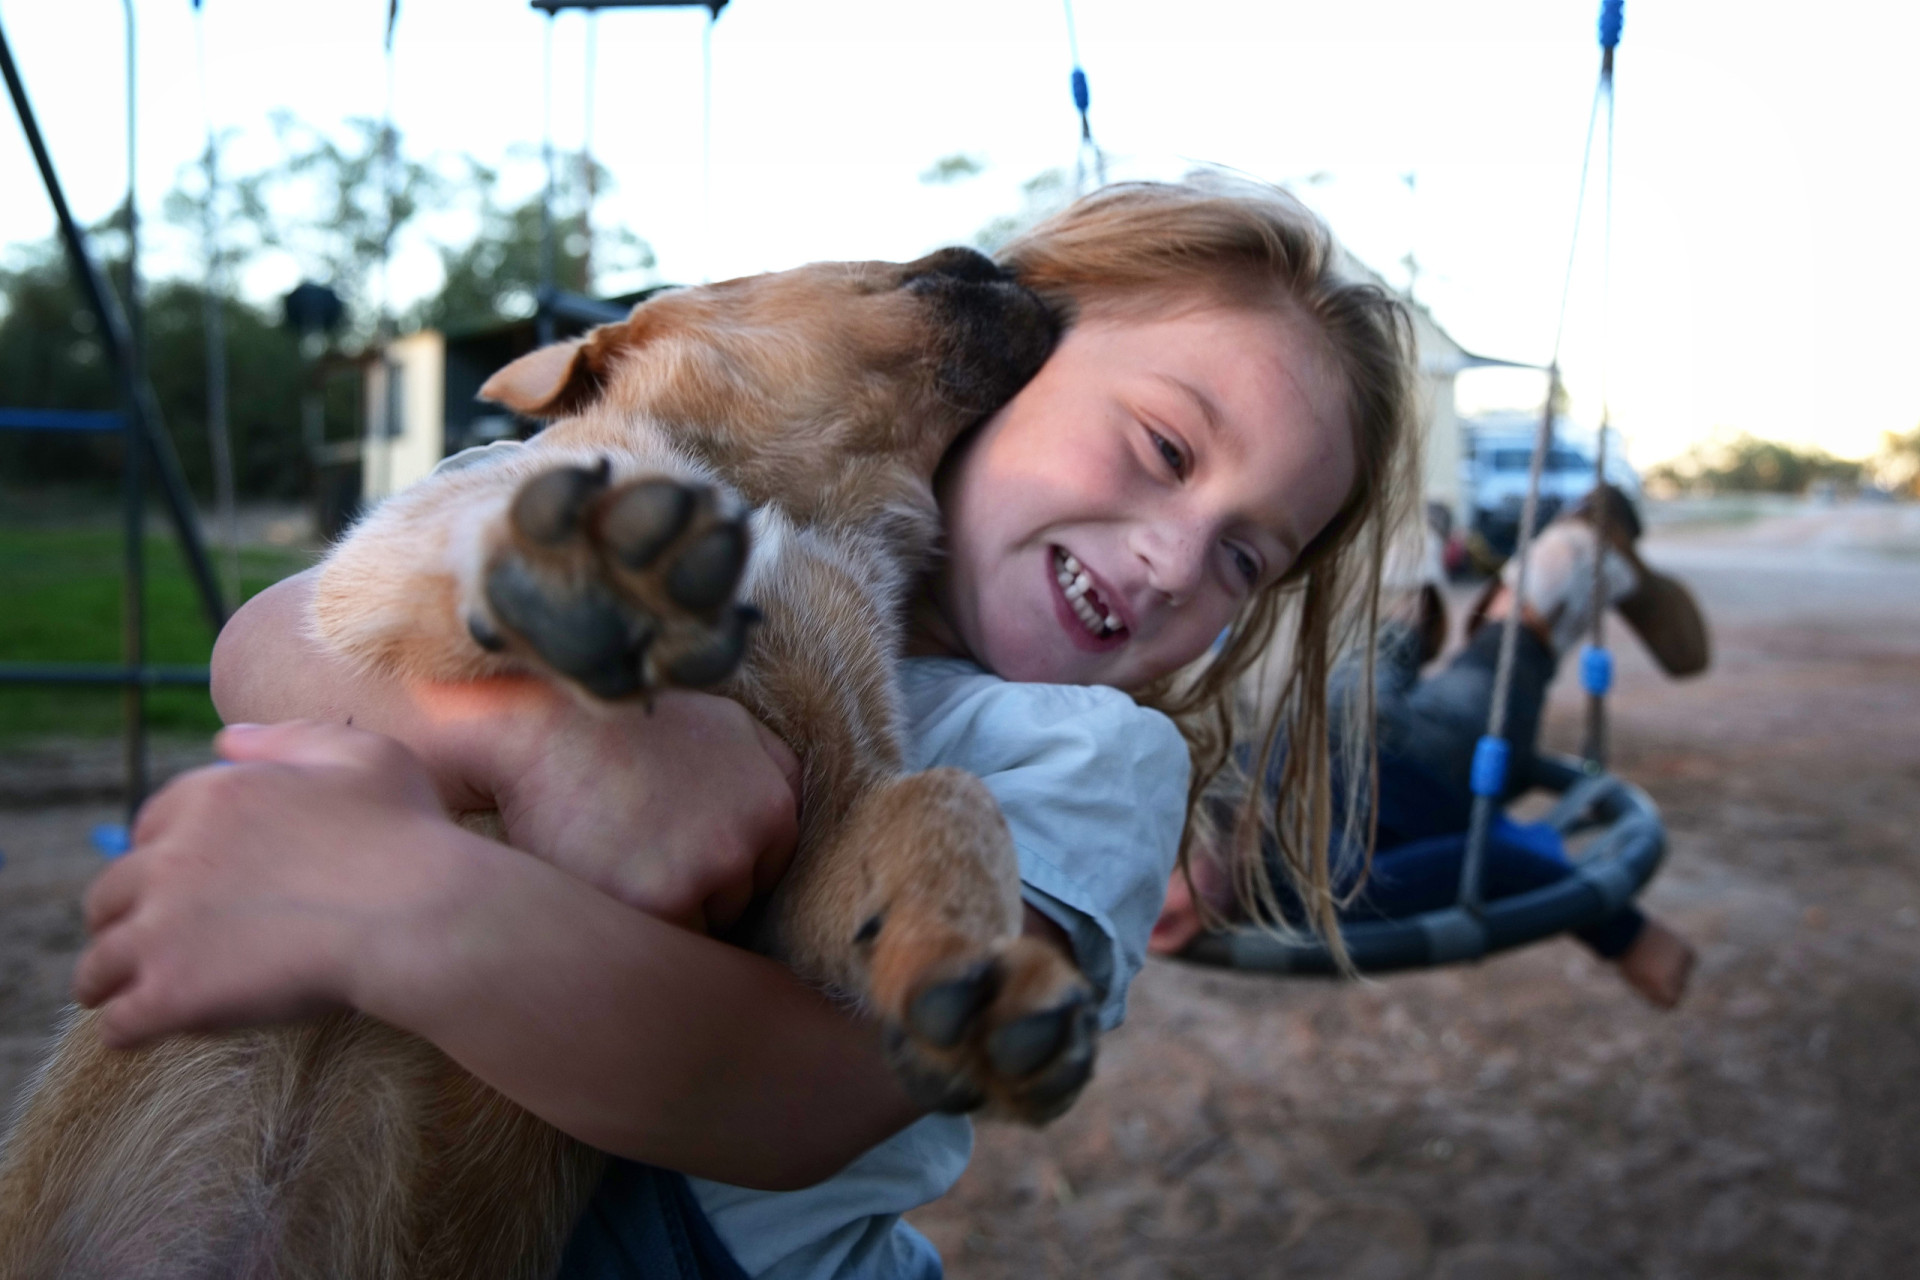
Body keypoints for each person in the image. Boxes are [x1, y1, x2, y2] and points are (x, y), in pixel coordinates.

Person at [70, 178, 1421, 1278]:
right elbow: (269, 642)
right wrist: (546, 743)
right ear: (1007, 377)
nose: (1183, 557)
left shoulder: (1092, 753)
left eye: (1251, 561)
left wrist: (400, 906)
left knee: (930, 823)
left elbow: (794, 1105)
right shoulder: (615, 471)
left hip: (705, 1243)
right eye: (1165, 451)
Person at [1152, 487, 1707, 1009]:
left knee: (1496, 651)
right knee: (1418, 649)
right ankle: (1528, 545)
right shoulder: (1247, 829)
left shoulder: (1320, 890)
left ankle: (1562, 555)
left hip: (1403, 752)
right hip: (1339, 736)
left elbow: (1486, 862)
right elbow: (1485, 862)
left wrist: (1632, 939)